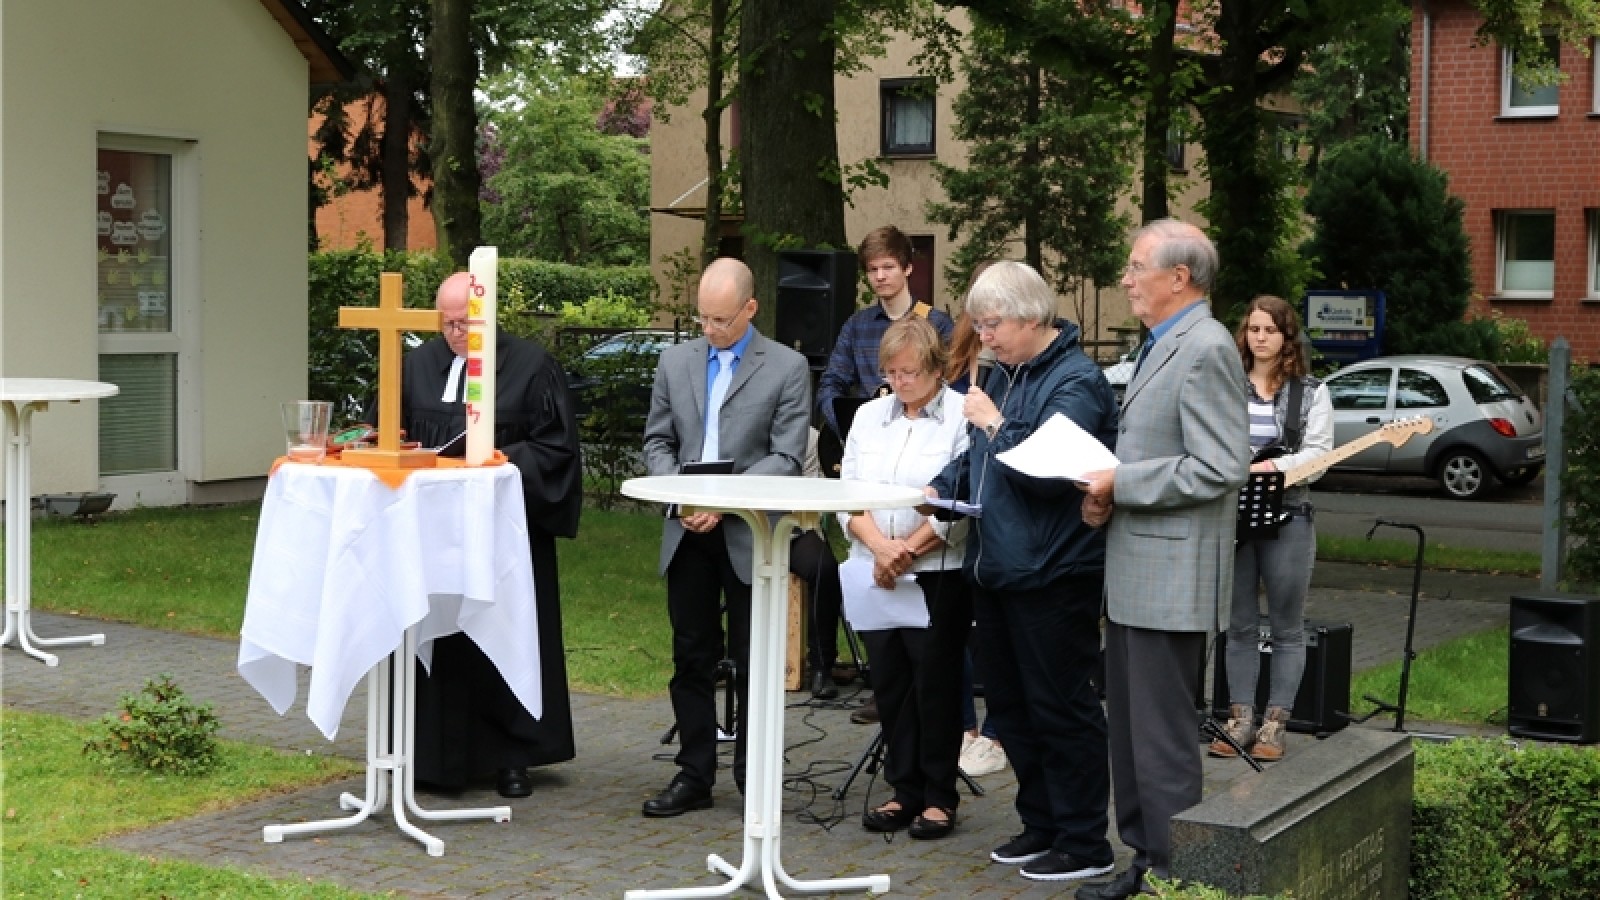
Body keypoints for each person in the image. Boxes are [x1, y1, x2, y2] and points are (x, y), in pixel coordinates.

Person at [926, 261, 1121, 883]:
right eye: (978, 323)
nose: (982, 335)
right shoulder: (1004, 375)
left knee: (1062, 707)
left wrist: (989, 421)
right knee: (1012, 709)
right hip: (998, 567)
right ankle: (1041, 824)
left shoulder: (1078, 380)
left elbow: (1045, 470)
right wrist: (940, 486)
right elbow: (984, 464)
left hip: (1053, 571)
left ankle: (1086, 840)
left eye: (992, 323)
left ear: (1032, 315)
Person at [1078, 220, 1251, 900]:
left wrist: (1122, 484)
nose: (1125, 279)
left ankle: (1177, 877)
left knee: (1161, 738)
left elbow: (1219, 465)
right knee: (1132, 731)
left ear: (1179, 277)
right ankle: (1148, 860)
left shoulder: (1205, 347)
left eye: (1135, 266)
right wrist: (1106, 495)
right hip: (1140, 571)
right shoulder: (1166, 344)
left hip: (1171, 578)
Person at [398, 272, 584, 799]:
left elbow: (556, 452)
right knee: (442, 638)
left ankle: (512, 755)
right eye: (446, 322)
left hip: (505, 536)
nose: (454, 333)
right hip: (435, 539)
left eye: (464, 323)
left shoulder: (531, 367)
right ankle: (434, 758)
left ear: (486, 316)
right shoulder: (415, 367)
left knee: (500, 635)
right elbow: (387, 435)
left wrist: (500, 461)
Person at [640, 257, 811, 817]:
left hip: (750, 533)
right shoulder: (675, 362)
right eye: (703, 320)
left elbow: (786, 457)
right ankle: (694, 773)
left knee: (752, 657)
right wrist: (682, 498)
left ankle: (754, 776)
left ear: (750, 310)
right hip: (687, 530)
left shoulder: (786, 367)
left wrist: (725, 500)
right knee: (690, 655)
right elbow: (657, 442)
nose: (709, 331)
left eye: (720, 321)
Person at [838, 316, 971, 841]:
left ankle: (939, 796)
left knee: (934, 685)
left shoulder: (961, 416)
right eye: (892, 372)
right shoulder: (870, 416)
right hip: (874, 567)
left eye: (911, 372)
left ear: (936, 368)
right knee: (889, 684)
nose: (901, 383)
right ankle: (903, 787)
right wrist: (879, 547)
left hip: (936, 571)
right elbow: (848, 492)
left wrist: (908, 550)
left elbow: (957, 502)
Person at [1210, 295, 1333, 762]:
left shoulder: (1311, 391)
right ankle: (1239, 719)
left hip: (1289, 514)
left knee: (1286, 625)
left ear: (1286, 337)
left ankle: (1274, 725)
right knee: (1238, 623)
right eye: (1253, 329)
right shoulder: (1226, 384)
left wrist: (1274, 468)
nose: (1259, 338)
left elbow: (1318, 457)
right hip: (1233, 517)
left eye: (1270, 330)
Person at [943, 265, 1007, 779]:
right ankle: (962, 725)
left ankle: (996, 731)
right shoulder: (963, 358)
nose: (987, 333)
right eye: (980, 319)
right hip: (962, 507)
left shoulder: (1014, 369)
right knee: (956, 624)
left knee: (992, 633)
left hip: (999, 521)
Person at [816, 225, 955, 437]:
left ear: (907, 268)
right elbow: (831, 383)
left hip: (923, 434)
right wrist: (848, 426)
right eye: (873, 269)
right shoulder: (856, 325)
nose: (880, 276)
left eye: (888, 267)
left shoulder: (937, 323)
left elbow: (952, 389)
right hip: (865, 434)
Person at [793, 427, 845, 699]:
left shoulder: (809, 438)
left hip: (795, 528)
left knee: (825, 569)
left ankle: (822, 665)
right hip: (741, 530)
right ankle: (717, 660)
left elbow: (814, 495)